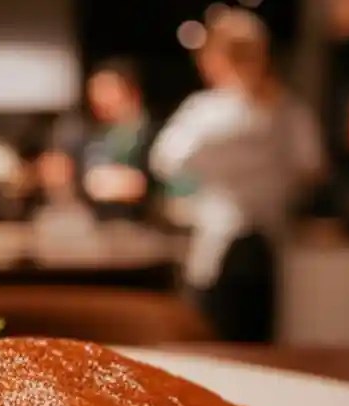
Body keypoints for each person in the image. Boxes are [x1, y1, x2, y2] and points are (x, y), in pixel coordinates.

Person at [150, 9, 325, 342]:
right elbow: (313, 169)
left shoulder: (207, 110)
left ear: (215, 58)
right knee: (260, 347)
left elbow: (165, 160)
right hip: (271, 246)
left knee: (212, 341)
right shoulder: (290, 110)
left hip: (220, 244)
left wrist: (203, 186)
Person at [76, 59, 156, 221]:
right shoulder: (95, 137)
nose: (99, 99)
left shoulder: (152, 135)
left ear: (131, 92)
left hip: (145, 221)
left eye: (106, 90)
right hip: (104, 222)